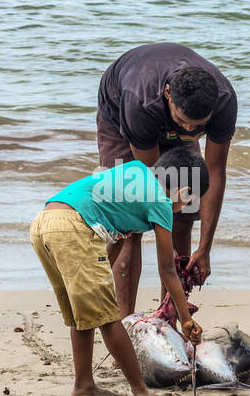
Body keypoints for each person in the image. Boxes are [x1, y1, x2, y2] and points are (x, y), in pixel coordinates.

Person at [29, 147, 206, 396]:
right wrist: (186, 318)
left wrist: (98, 285)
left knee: (84, 314)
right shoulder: (158, 201)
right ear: (185, 188)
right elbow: (167, 269)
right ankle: (142, 394)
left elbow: (116, 238)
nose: (188, 206)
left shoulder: (135, 172)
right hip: (74, 227)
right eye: (192, 198)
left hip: (45, 223)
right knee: (109, 317)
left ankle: (84, 386)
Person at [96, 43, 237, 314]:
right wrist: (162, 244)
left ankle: (169, 317)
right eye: (184, 121)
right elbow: (153, 182)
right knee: (130, 224)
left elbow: (215, 171)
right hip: (119, 115)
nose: (189, 129)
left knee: (183, 216)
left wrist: (205, 247)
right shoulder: (141, 102)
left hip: (161, 109)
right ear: (168, 93)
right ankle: (127, 325)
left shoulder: (225, 100)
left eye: (198, 125)